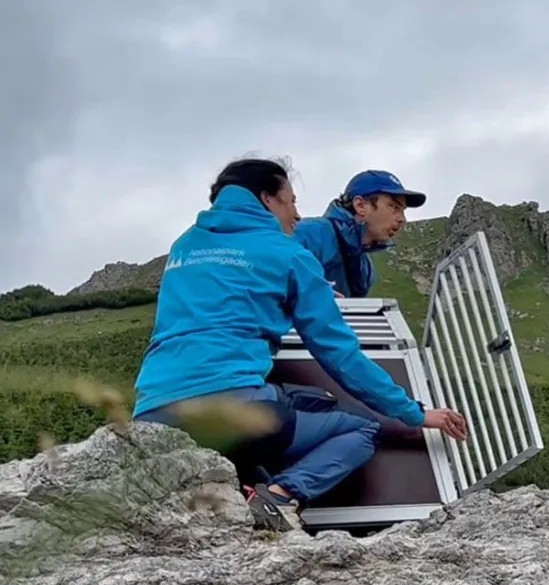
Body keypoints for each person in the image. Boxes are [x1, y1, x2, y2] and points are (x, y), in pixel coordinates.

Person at [132, 157, 468, 531]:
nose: (297, 213)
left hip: (151, 412)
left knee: (294, 402)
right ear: (267, 199)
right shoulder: (291, 252)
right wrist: (415, 413)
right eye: (291, 201)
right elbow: (340, 355)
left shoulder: (184, 246)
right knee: (359, 428)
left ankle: (240, 490)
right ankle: (279, 497)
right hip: (231, 406)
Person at [292, 169, 425, 299]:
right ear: (360, 205)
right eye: (393, 207)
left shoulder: (366, 270)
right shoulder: (308, 234)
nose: (402, 219)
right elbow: (275, 280)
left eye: (402, 210)